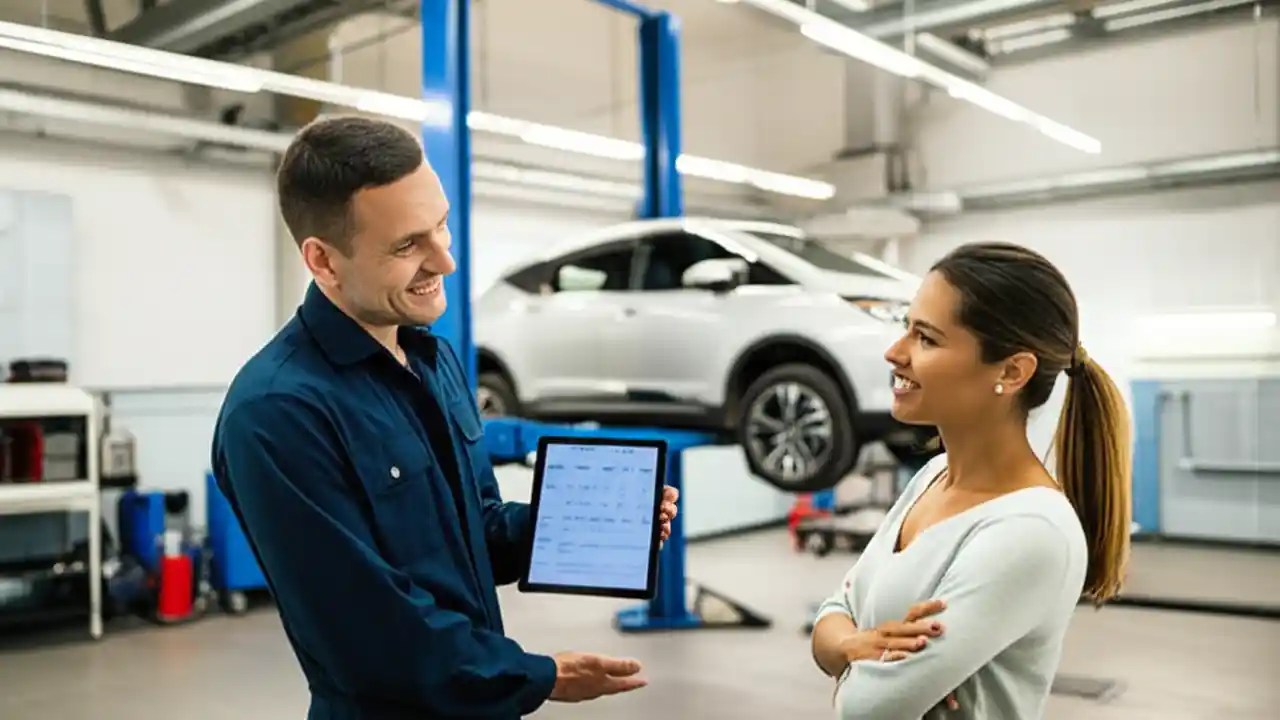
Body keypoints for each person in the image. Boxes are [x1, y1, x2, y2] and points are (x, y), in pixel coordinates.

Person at [210, 115, 680, 720]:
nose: (445, 261)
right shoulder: (277, 414)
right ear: (323, 261)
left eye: (442, 227)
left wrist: (588, 528)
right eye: (408, 245)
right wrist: (540, 675)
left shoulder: (431, 357)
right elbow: (368, 630)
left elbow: (471, 530)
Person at [809, 242, 1132, 719]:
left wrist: (848, 662)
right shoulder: (932, 477)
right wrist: (854, 647)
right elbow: (829, 617)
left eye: (927, 339)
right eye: (906, 328)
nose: (894, 352)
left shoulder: (1030, 530)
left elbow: (866, 710)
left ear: (1010, 371)